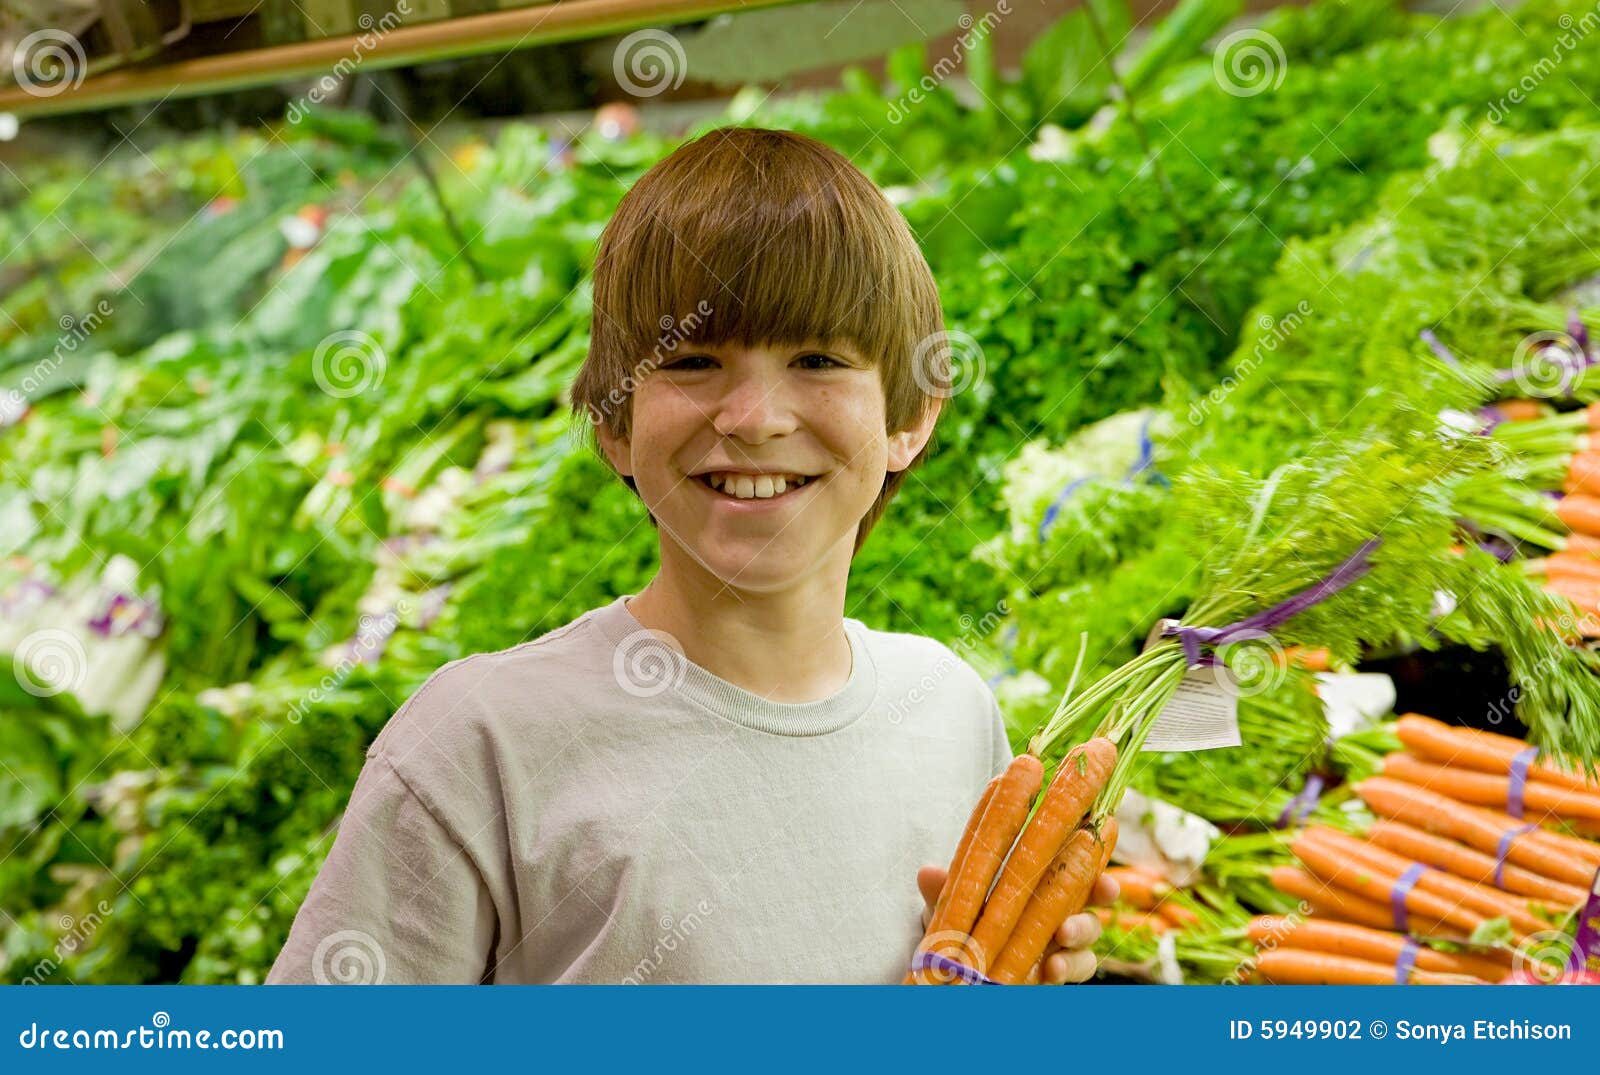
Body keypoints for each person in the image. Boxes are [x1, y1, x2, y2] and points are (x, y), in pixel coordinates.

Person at [268, 127, 1114, 985]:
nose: (754, 418)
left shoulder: (950, 708)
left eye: (818, 359)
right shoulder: (480, 744)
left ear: (911, 418)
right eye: (695, 361)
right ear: (614, 422)